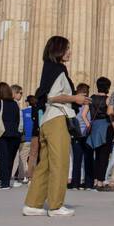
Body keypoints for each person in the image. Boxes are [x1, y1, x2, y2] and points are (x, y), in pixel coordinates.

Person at [22, 36, 86, 216]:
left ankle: (33, 204)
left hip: (48, 120)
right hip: (58, 118)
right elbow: (52, 96)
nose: (69, 52)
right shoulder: (58, 69)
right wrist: (76, 98)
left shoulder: (48, 68)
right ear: (58, 50)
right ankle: (56, 206)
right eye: (67, 48)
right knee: (60, 162)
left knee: (46, 164)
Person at [0, 82, 23, 190]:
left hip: (3, 134)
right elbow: (17, 119)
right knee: (10, 159)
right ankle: (5, 181)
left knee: (3, 158)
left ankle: (4, 183)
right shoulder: (14, 104)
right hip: (14, 134)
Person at [67, 83, 94, 190]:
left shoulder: (73, 104)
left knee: (76, 160)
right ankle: (87, 184)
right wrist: (88, 125)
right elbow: (84, 116)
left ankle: (75, 183)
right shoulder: (86, 103)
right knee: (88, 159)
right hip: (85, 133)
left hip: (75, 133)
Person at [88, 80, 113, 189]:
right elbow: (110, 114)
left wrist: (88, 124)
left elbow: (85, 113)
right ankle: (100, 181)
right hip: (105, 126)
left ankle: (94, 180)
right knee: (104, 155)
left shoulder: (91, 98)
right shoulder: (108, 99)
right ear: (107, 87)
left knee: (96, 154)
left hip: (94, 126)